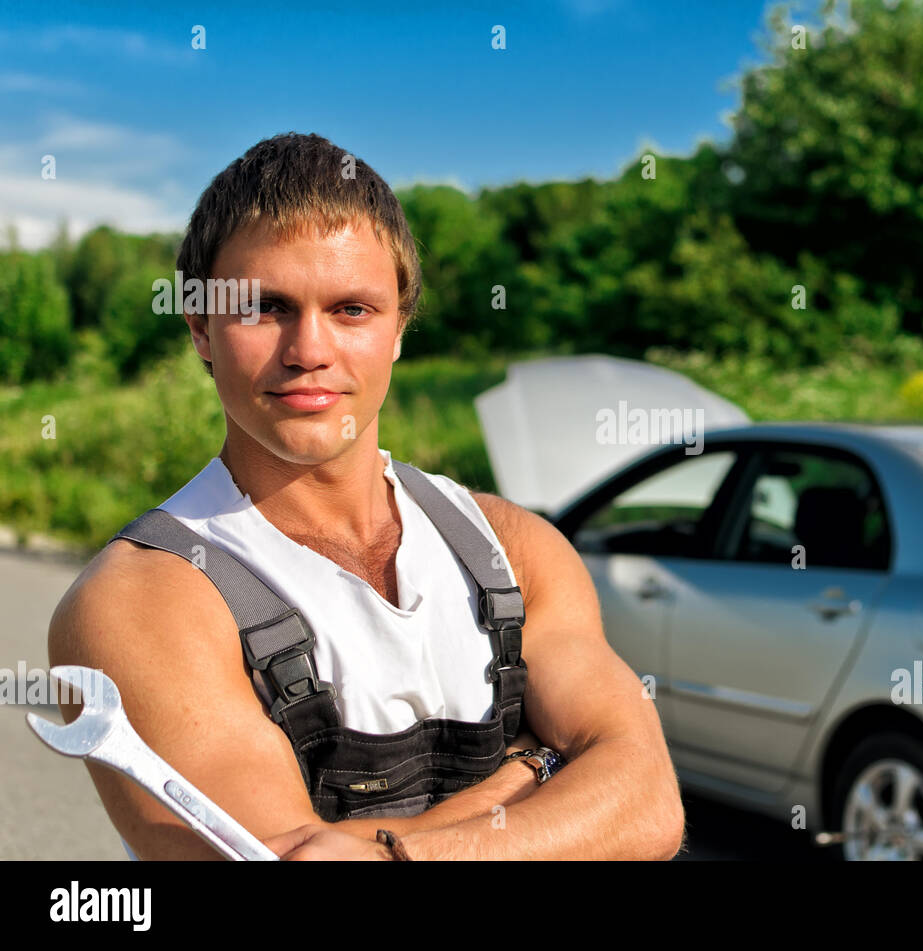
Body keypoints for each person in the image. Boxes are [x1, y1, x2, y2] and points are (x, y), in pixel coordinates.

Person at [47, 132, 685, 860]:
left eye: (351, 309)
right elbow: (276, 857)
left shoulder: (512, 549)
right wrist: (534, 771)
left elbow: (646, 802)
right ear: (200, 327)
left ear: (399, 329)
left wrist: (393, 854)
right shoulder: (142, 598)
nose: (309, 349)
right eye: (264, 307)